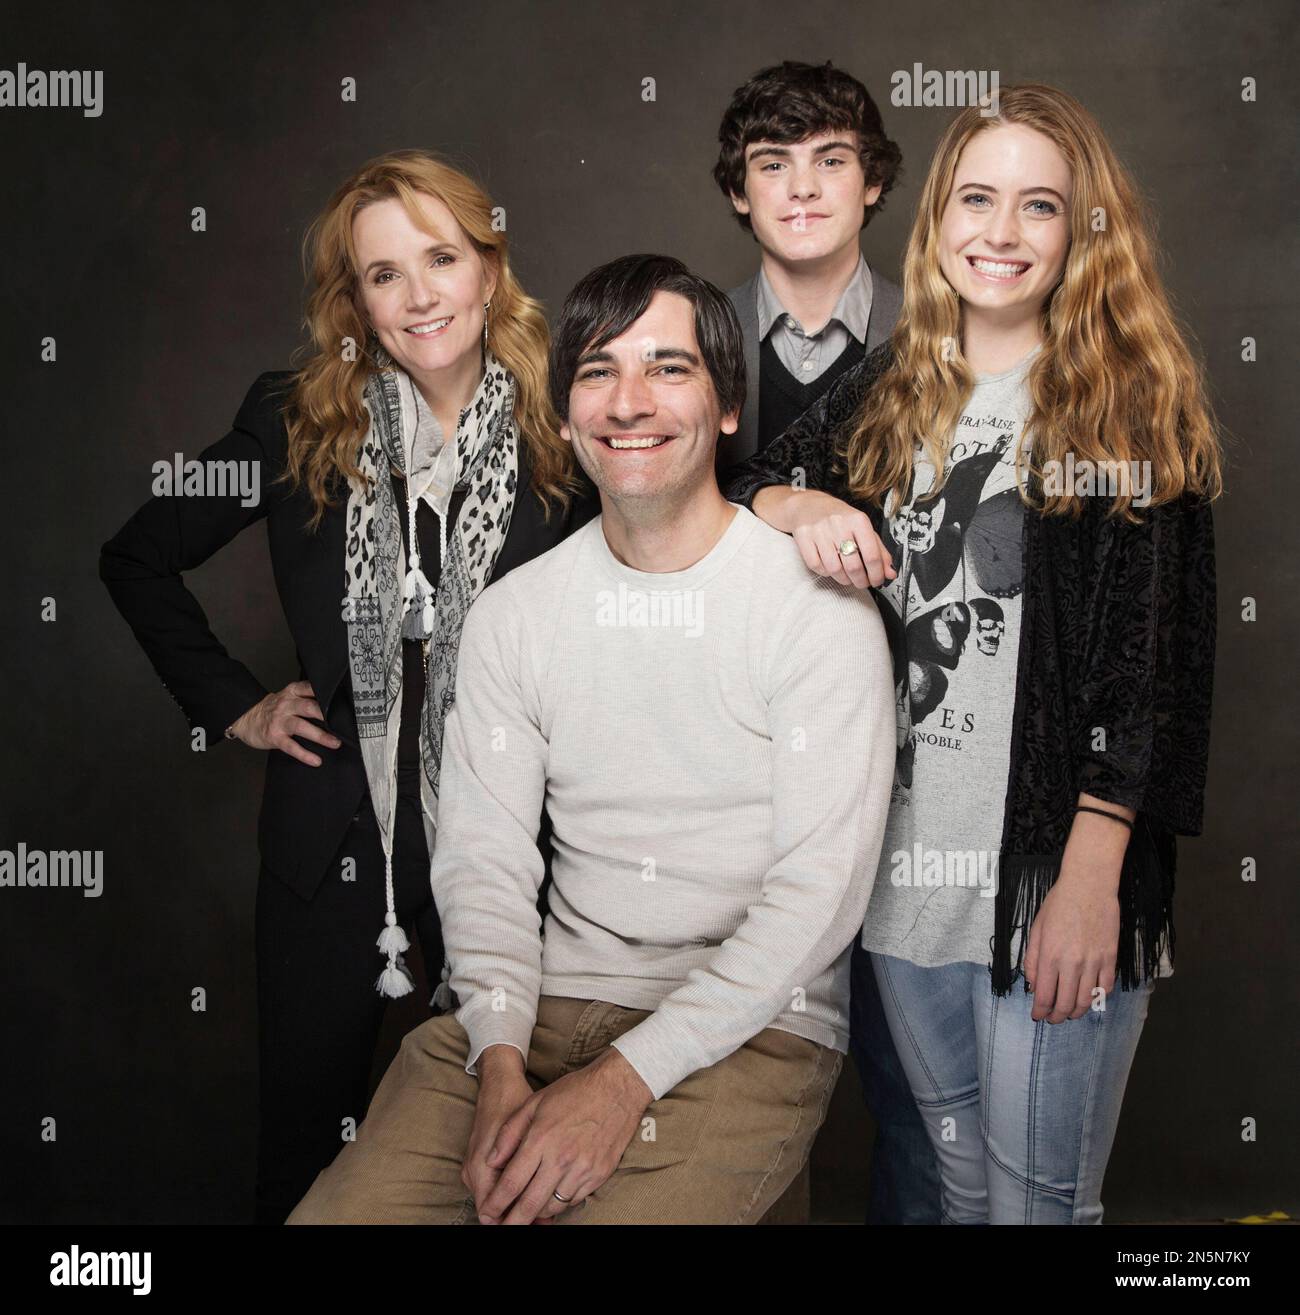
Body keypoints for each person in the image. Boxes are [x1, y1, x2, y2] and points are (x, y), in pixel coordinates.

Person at [286, 253, 896, 1225]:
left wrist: (623, 1082)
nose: (629, 401)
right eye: (598, 372)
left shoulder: (811, 608)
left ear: (727, 405)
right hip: (525, 1015)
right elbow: (483, 865)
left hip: (750, 1027)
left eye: (668, 367)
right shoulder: (516, 616)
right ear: (565, 416)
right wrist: (495, 1059)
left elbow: (818, 898)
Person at [724, 83, 1221, 1223]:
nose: (1000, 234)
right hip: (906, 878)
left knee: (1039, 1201)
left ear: (1081, 233)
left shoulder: (1123, 406)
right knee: (953, 1187)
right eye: (977, 200)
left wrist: (1090, 877)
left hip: (1049, 873)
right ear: (937, 214)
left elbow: (1152, 673)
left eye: (1038, 207)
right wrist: (804, 512)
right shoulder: (896, 385)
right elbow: (746, 481)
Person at [98, 149, 597, 1223]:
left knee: (510, 1157)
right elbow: (134, 556)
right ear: (355, 302)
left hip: (516, 843)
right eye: (383, 274)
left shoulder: (566, 422)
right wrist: (236, 702)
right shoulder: (293, 418)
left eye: (441, 258)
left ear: (488, 269)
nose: (418, 295)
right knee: (304, 1157)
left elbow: (672, 540)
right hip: (331, 851)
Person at [712, 58, 940, 1223]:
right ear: (741, 194)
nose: (801, 189)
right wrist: (771, 501)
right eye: (771, 165)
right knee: (735, 1082)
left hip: (910, 781)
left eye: (829, 161)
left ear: (873, 183)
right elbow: (634, 527)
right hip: (728, 781)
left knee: (912, 1095)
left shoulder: (944, 338)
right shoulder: (685, 344)